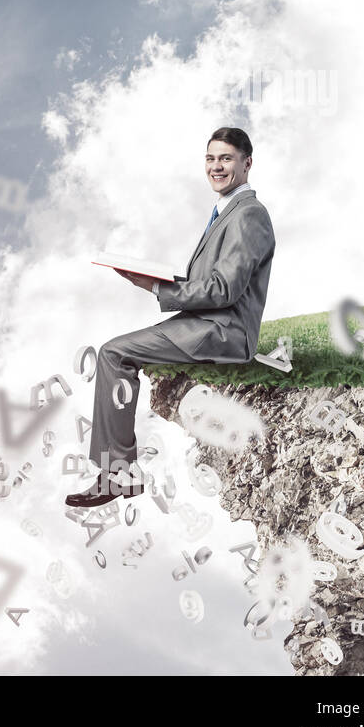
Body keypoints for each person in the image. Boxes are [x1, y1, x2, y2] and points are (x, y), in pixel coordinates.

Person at [66, 126, 275, 508]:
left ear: (247, 163)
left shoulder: (248, 216)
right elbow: (212, 282)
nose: (216, 166)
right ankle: (117, 471)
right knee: (117, 349)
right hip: (207, 322)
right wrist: (159, 278)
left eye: (226, 158)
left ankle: (118, 476)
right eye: (210, 158)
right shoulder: (226, 212)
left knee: (114, 353)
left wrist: (156, 288)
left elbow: (224, 290)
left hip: (224, 331)